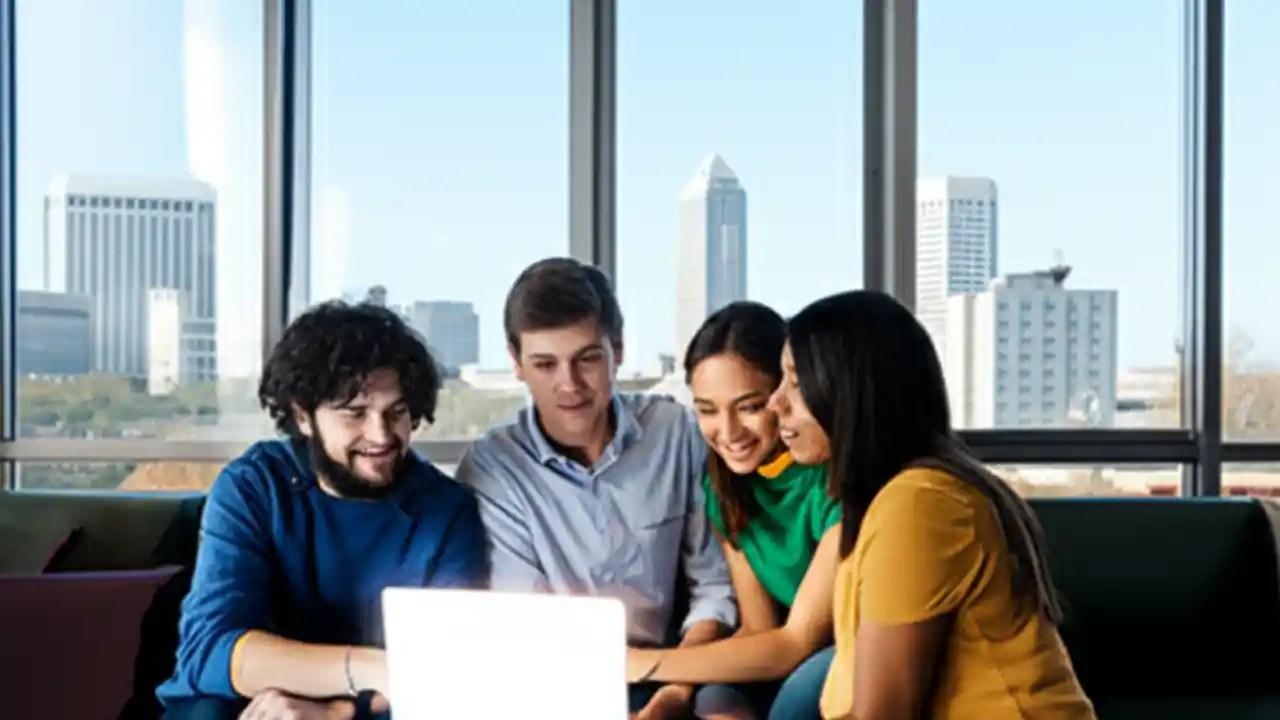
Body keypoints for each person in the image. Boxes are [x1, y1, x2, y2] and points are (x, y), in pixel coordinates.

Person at [768, 289, 1095, 720]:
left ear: (855, 391)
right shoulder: (888, 498)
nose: (775, 403)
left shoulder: (919, 504)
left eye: (796, 382)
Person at [156, 301, 487, 720]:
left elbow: (446, 674)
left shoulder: (447, 511)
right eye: (355, 413)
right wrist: (372, 669)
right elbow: (210, 651)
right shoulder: (254, 487)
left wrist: (333, 713)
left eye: (396, 412)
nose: (380, 434)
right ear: (303, 416)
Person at [454, 257, 736, 720]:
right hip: (554, 685)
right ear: (516, 364)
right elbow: (524, 622)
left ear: (618, 351)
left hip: (674, 670)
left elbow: (714, 587)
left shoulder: (675, 433)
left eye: (587, 359)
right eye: (545, 364)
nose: (570, 385)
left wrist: (673, 693)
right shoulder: (494, 467)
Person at [625, 302, 838, 720]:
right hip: (780, 652)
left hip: (838, 651)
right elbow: (759, 628)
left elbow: (797, 642)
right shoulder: (724, 483)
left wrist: (643, 663)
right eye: (707, 410)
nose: (728, 432)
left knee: (797, 697)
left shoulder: (829, 477)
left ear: (785, 393)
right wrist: (674, 692)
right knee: (716, 702)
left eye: (748, 407)